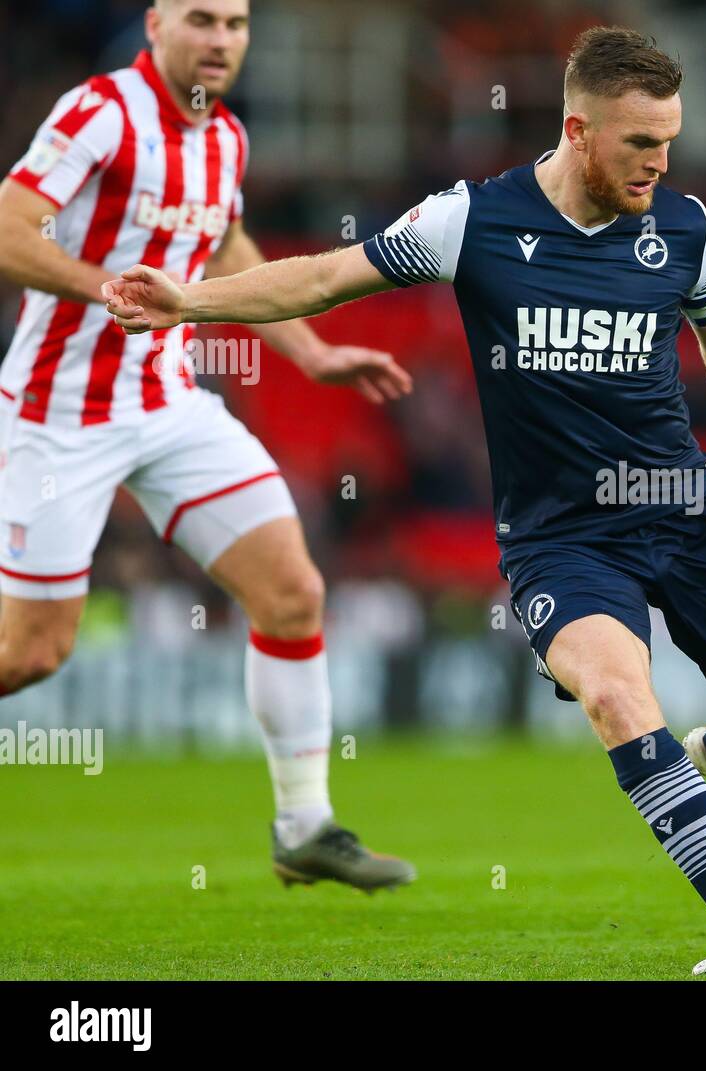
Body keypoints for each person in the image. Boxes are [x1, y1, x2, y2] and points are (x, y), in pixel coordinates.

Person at [103, 25, 706, 972]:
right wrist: (189, 301)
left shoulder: (686, 228)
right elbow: (326, 277)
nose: (659, 164)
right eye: (639, 145)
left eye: (668, 142)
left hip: (686, 510)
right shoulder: (474, 222)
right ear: (579, 131)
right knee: (622, 698)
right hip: (563, 540)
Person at [0, 0, 416, 892]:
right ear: (155, 25)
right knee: (31, 652)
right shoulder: (99, 112)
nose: (221, 40)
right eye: (202, 19)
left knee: (294, 592)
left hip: (170, 402)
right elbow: (7, 226)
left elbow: (222, 242)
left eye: (236, 23)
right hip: (56, 410)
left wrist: (312, 350)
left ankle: (305, 826)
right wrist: (106, 288)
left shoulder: (226, 136)